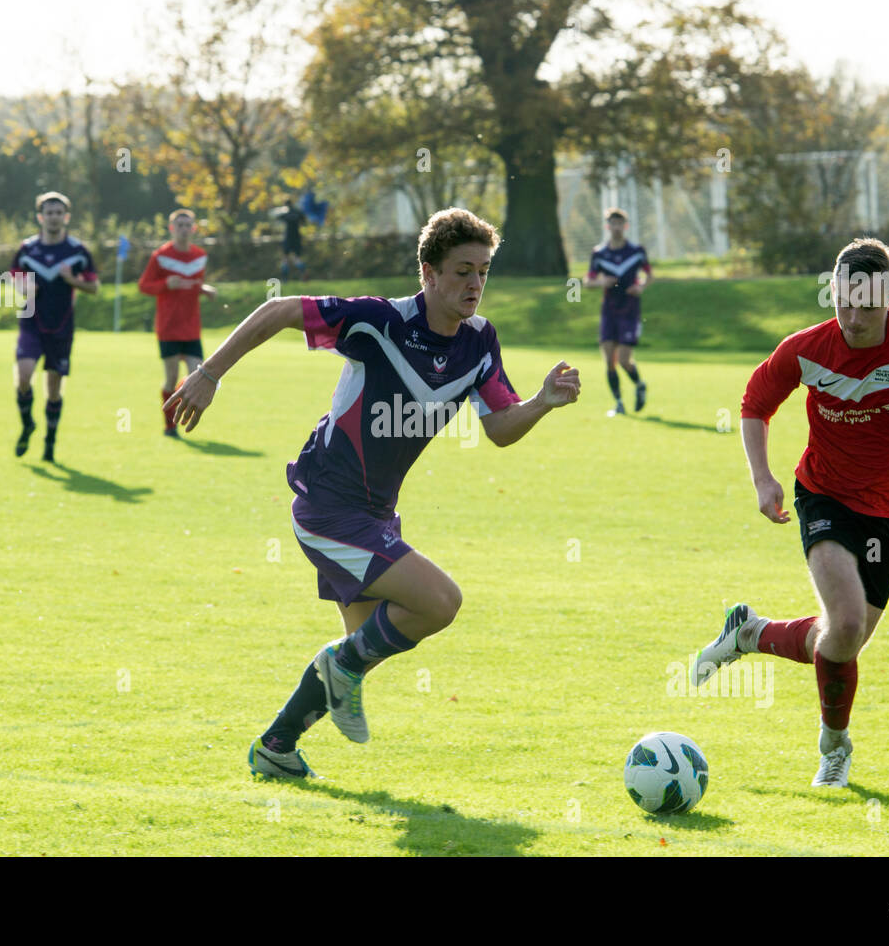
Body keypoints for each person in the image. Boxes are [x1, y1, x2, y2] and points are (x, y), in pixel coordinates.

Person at [165, 208, 581, 778]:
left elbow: (500, 427)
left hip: (376, 515)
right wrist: (209, 373)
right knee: (438, 603)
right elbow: (281, 309)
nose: (475, 285)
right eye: (462, 271)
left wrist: (541, 403)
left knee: (364, 645)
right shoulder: (378, 322)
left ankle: (276, 747)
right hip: (327, 507)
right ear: (428, 274)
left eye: (483, 271)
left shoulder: (480, 341)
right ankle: (338, 672)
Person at [691, 238, 889, 787]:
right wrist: (763, 478)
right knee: (843, 626)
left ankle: (751, 633)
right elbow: (755, 404)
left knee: (839, 644)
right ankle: (834, 748)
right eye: (845, 301)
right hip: (825, 496)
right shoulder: (805, 349)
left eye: (869, 305)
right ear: (833, 292)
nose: (856, 317)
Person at [10, 191, 99, 462]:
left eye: (58, 212)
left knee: (53, 388)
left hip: (61, 326)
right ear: (40, 217)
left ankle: (50, 441)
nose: (53, 217)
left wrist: (72, 280)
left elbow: (94, 286)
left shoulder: (77, 251)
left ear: (66, 217)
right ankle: (27, 424)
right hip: (30, 322)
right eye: (49, 212)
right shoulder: (27, 249)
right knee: (24, 376)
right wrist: (24, 286)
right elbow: (13, 277)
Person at [137, 208, 218, 437]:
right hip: (168, 327)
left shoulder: (200, 256)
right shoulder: (160, 256)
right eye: (179, 225)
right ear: (172, 228)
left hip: (191, 327)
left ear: (193, 229)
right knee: (171, 378)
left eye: (187, 225)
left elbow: (192, 283)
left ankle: (180, 412)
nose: (184, 229)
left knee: (197, 375)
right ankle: (169, 425)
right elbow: (144, 286)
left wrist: (204, 289)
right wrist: (164, 284)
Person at [584, 208, 652, 415]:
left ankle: (639, 385)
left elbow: (649, 275)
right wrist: (601, 282)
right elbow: (588, 281)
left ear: (626, 226)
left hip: (630, 310)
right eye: (612, 224)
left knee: (623, 359)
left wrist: (640, 287)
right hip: (609, 311)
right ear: (607, 227)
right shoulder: (599, 253)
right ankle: (619, 403)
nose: (616, 228)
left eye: (620, 224)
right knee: (609, 360)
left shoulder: (636, 251)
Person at [275, 198, 308, 282]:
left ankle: (284, 279)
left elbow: (277, 218)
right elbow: (304, 221)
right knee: (297, 258)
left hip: (288, 237)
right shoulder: (298, 213)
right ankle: (303, 274)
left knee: (285, 258)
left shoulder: (285, 213)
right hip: (297, 237)